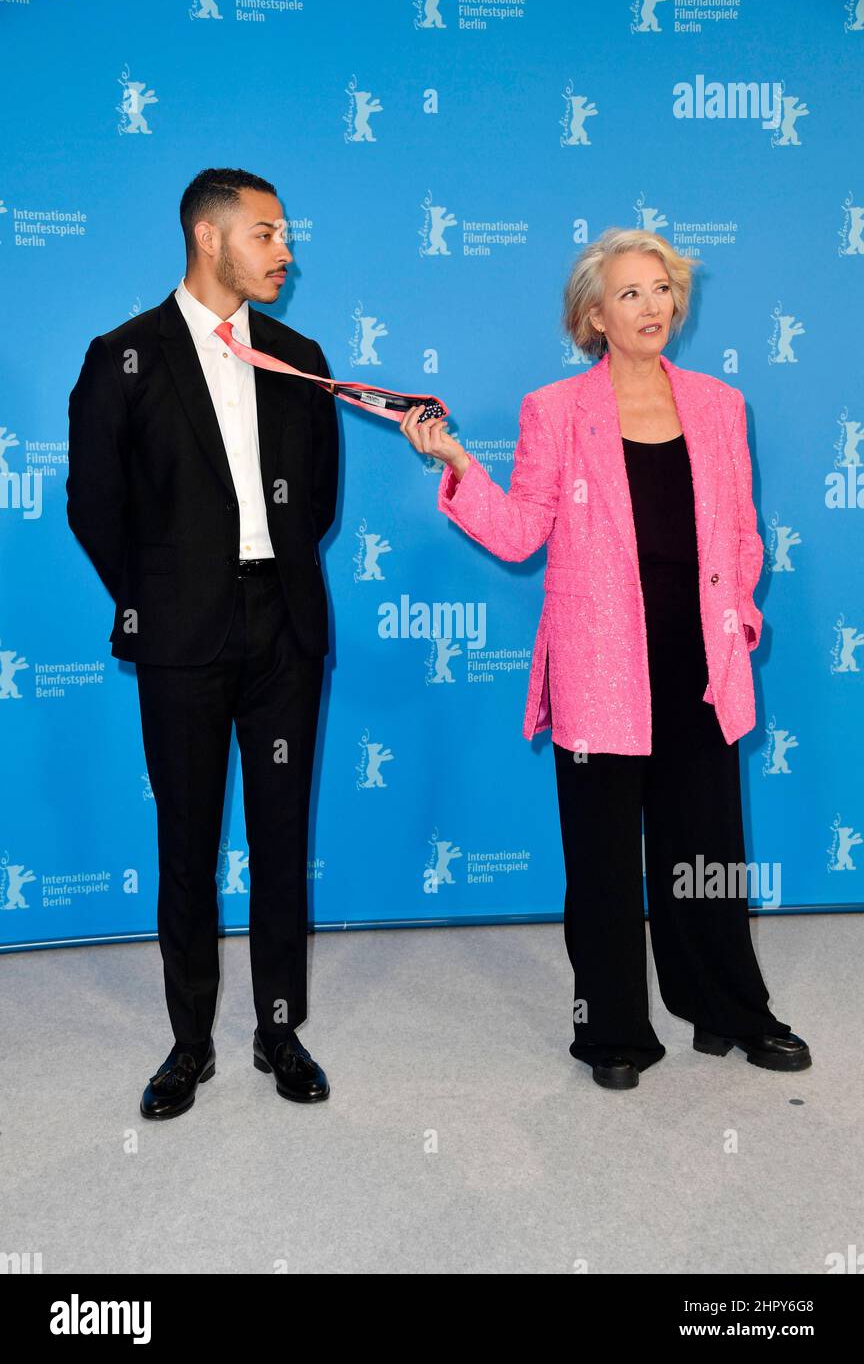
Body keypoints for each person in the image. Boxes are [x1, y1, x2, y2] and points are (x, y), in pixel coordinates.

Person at [400, 227, 810, 1091]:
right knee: (603, 859)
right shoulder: (556, 411)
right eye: (630, 293)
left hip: (700, 660)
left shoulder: (718, 404)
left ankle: (729, 1009)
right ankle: (615, 1032)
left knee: (707, 848)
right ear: (595, 316)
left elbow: (741, 532)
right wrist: (456, 461)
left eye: (661, 288)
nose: (652, 304)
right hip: (599, 662)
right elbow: (520, 534)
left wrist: (736, 617)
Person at [67, 167, 338, 1117]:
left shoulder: (299, 356)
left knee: (279, 837)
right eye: (266, 233)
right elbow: (95, 508)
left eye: (285, 233)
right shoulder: (125, 355)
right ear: (208, 237)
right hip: (181, 637)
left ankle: (278, 1031)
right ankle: (189, 1045)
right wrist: (162, 599)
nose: (285, 250)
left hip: (285, 632)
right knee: (185, 843)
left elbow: (320, 502)